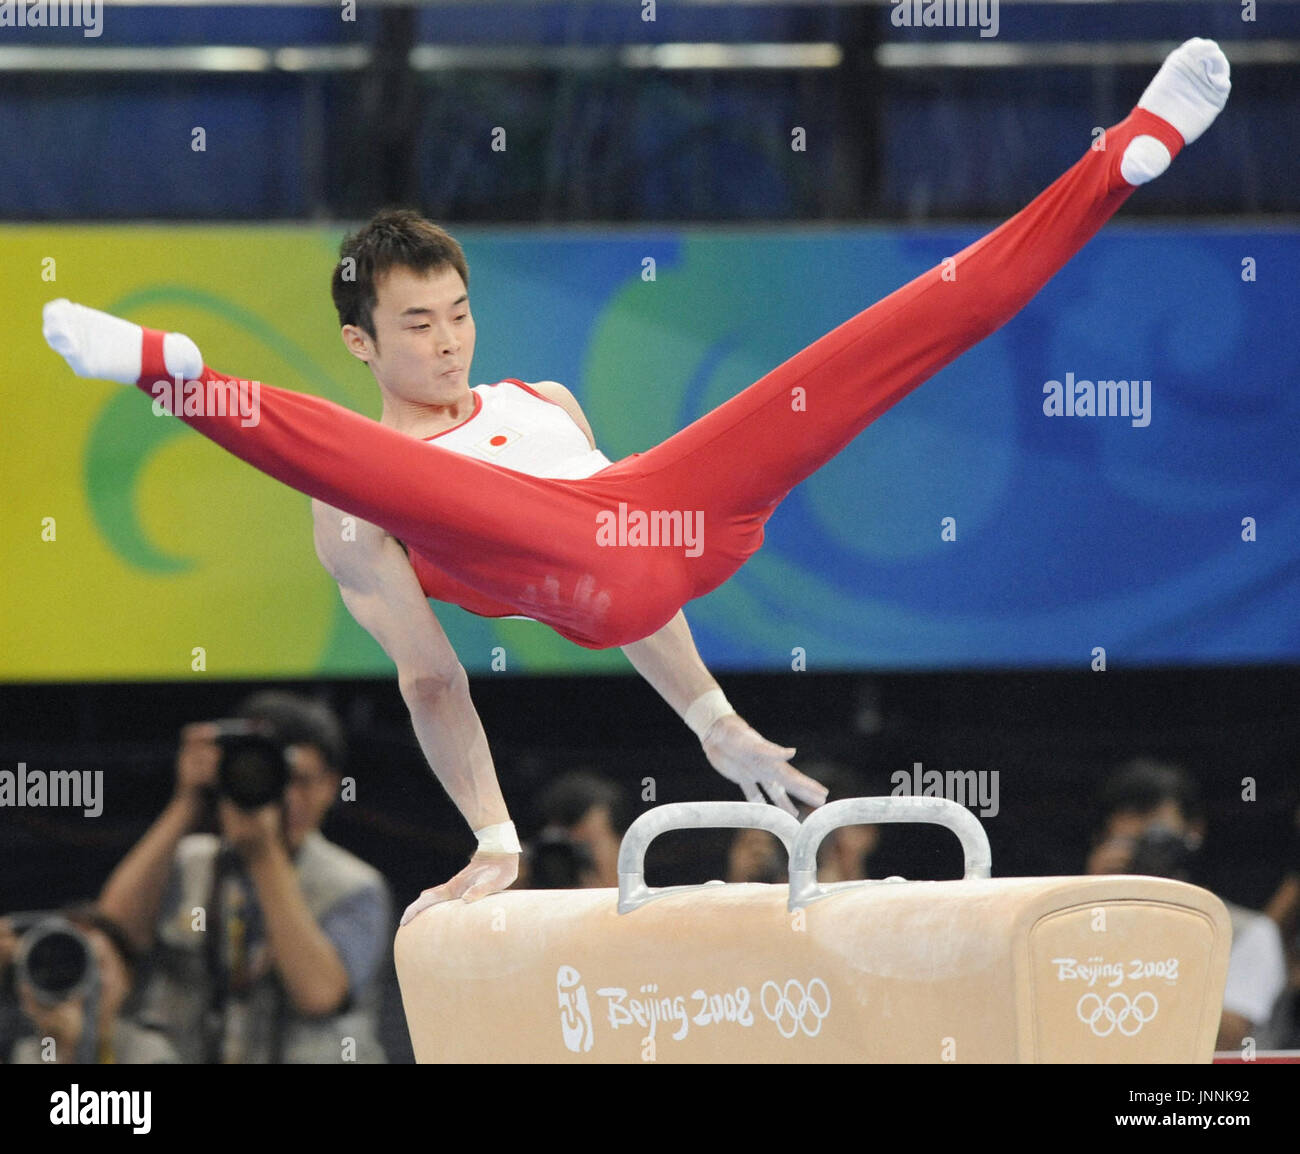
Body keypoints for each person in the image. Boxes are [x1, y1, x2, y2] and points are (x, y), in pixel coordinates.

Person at [42, 41, 1232, 922]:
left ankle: (1120, 160)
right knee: (383, 475)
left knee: (881, 343)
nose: (448, 342)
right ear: (362, 342)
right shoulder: (356, 509)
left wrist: (716, 723)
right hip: (543, 553)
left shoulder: (541, 402)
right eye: (415, 325)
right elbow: (431, 678)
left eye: (458, 313)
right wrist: (496, 834)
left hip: (672, 525)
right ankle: (180, 379)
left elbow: (639, 558)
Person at [97, 692, 391, 1063]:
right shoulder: (191, 863)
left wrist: (263, 854)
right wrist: (187, 801)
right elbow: (112, 934)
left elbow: (319, 994)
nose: (286, 797)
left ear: (331, 785)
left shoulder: (356, 886)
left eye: (300, 780)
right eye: (271, 776)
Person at [1085, 758, 1287, 1052]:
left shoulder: (1246, 932)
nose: (1147, 855)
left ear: (1193, 831)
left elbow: (1220, 1039)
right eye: (1131, 842)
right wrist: (1088, 901)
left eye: (1157, 841)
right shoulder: (1080, 928)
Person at [1, 906, 178, 1064]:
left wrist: (80, 1048)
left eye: (99, 963)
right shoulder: (26, 1052)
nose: (88, 981)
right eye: (74, 965)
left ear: (127, 977)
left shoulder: (150, 1052)